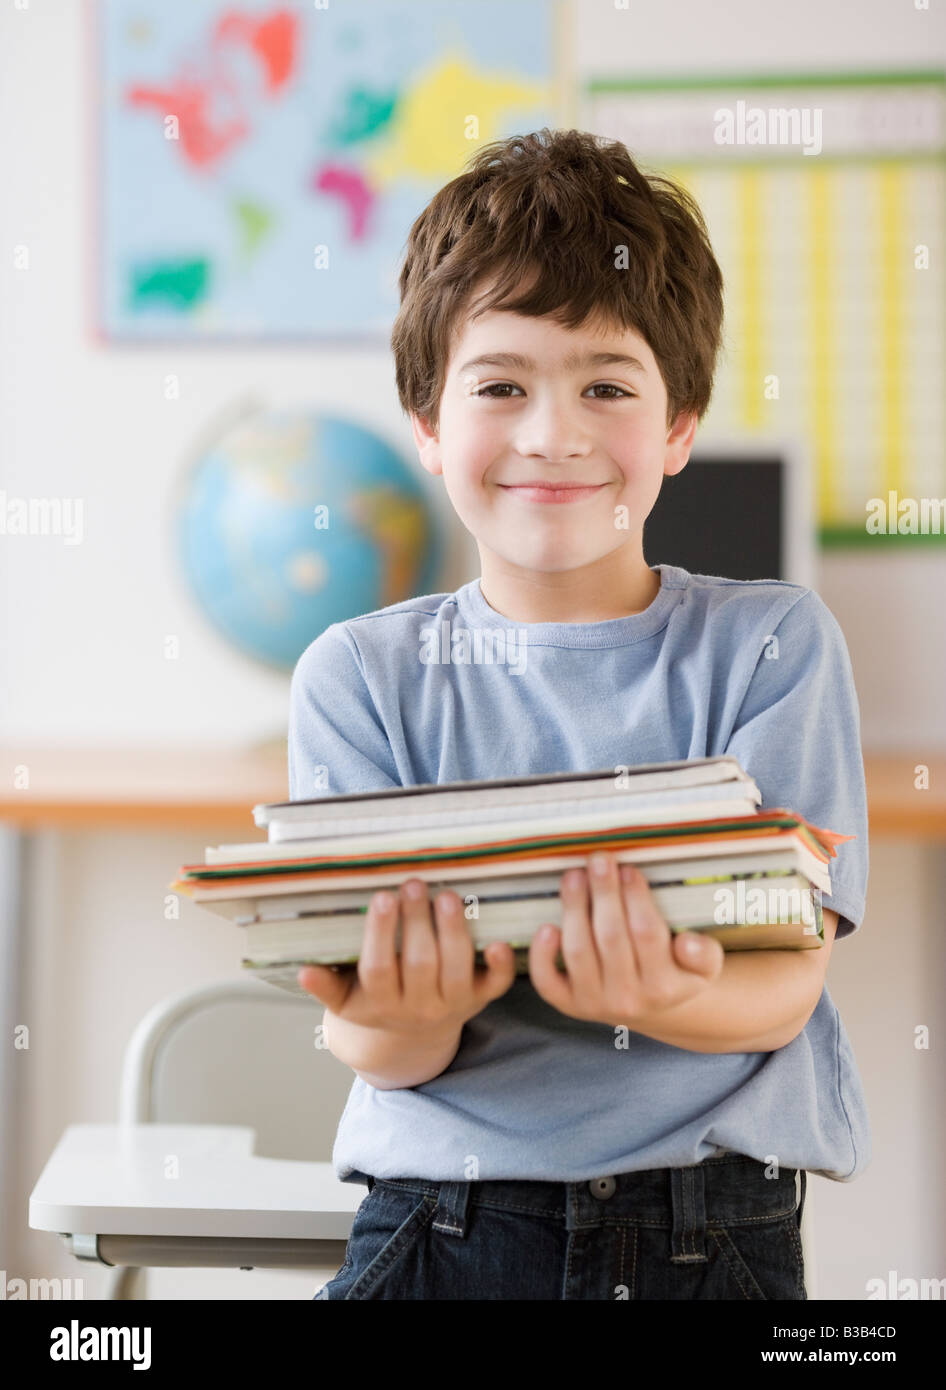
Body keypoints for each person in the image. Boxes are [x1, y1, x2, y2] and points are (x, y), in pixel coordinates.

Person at [288, 128, 869, 1300]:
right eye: (500, 385)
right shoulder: (355, 674)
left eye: (605, 385)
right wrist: (412, 1013)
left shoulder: (772, 644)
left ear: (677, 425)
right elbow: (373, 1040)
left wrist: (665, 995)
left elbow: (783, 983)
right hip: (438, 1226)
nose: (552, 434)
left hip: (705, 1233)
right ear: (428, 424)